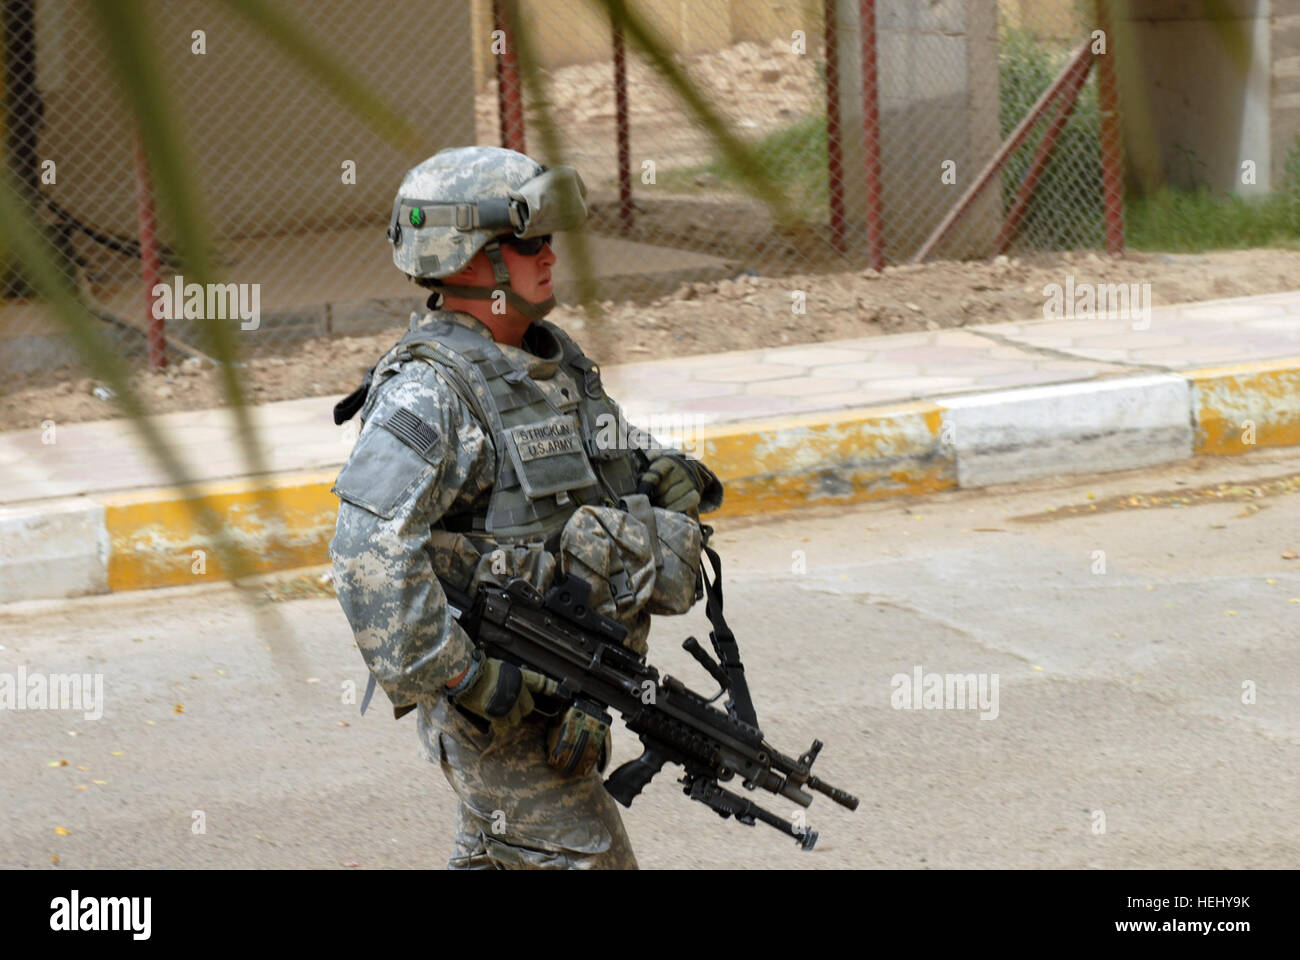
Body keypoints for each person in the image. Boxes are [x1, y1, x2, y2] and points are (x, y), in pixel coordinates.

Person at [328, 145, 723, 869]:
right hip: (500, 711)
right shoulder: (430, 394)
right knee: (588, 856)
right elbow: (365, 555)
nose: (549, 255)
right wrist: (467, 678)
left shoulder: (550, 357)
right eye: (528, 240)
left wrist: (661, 472)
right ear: (466, 256)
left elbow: (599, 455)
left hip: (568, 687)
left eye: (549, 238)